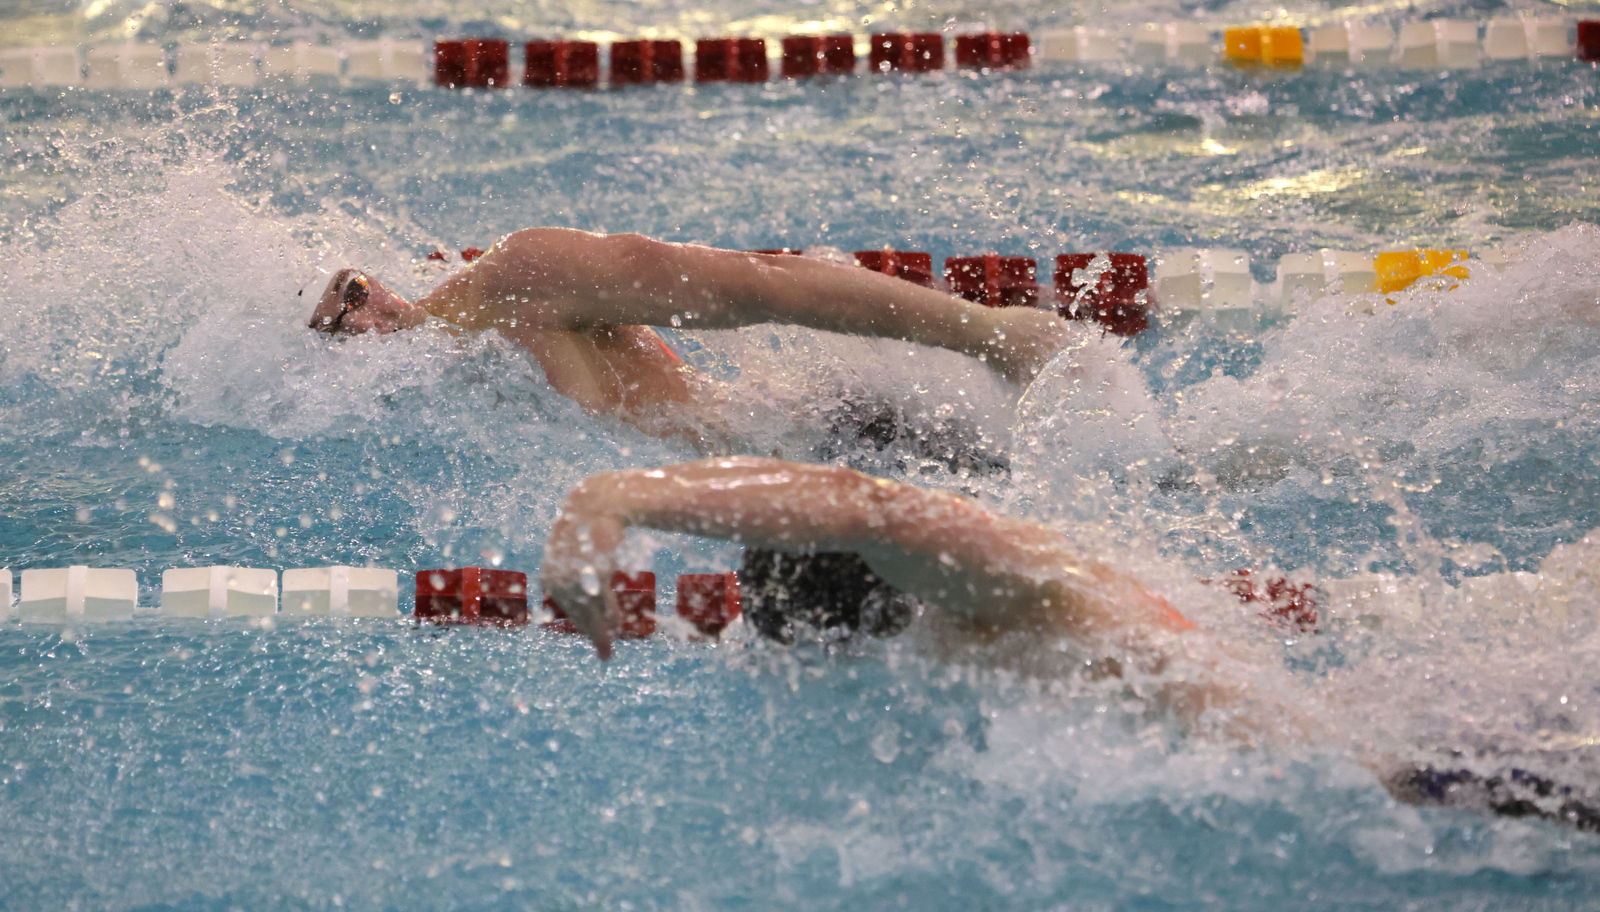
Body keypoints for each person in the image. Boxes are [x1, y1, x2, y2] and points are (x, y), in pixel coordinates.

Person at [538, 455, 1600, 834]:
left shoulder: (992, 582)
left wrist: (615, 495)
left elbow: (865, 505)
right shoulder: (978, 616)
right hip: (1361, 755)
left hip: (1390, 790)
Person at [308, 227, 1076, 456]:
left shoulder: (520, 280)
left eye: (352, 291)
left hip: (851, 438)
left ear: (377, 288)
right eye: (334, 328)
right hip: (812, 461)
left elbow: (758, 284)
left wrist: (988, 332)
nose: (356, 321)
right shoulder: (459, 382)